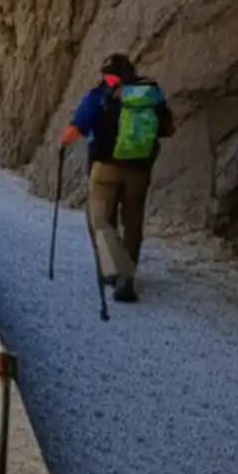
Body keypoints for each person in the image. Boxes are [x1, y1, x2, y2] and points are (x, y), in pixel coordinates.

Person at [59, 53, 175, 303]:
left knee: (100, 219)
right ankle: (126, 276)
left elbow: (76, 129)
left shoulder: (100, 95)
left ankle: (111, 269)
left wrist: (63, 141)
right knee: (132, 221)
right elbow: (168, 128)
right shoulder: (149, 95)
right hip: (140, 169)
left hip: (105, 167)